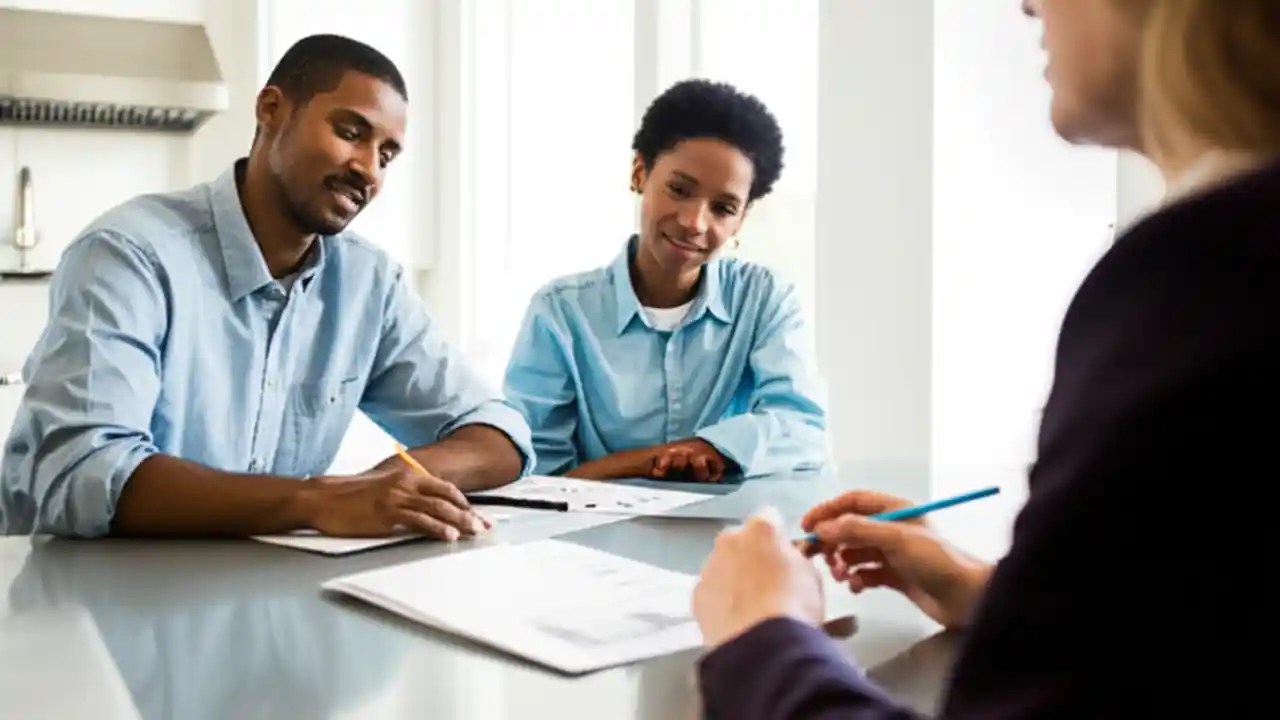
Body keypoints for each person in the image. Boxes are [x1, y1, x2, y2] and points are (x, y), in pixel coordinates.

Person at [692, 0, 1278, 716]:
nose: (1026, 3)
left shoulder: (1202, 284)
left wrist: (763, 637)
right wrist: (998, 592)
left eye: (724, 205)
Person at [0, 34, 533, 540]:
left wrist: (391, 479)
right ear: (271, 110)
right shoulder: (130, 253)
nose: (368, 170)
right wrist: (315, 500)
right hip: (74, 607)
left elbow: (501, 432)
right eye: (350, 132)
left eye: (387, 155)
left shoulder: (369, 285)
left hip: (249, 595)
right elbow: (85, 473)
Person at [502, 79, 828, 483]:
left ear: (742, 218)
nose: (694, 222)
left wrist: (708, 449)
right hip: (588, 540)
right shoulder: (560, 313)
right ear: (640, 173)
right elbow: (538, 477)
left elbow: (803, 430)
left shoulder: (765, 301)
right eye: (679, 189)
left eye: (723, 207)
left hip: (725, 535)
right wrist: (662, 458)